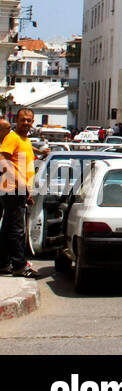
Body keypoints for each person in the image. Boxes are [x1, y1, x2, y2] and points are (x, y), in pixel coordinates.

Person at [0, 110, 38, 277]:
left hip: (20, 191)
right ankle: (20, 265)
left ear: (33, 122)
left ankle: (3, 263)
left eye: (29, 120)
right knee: (17, 230)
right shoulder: (13, 137)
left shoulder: (26, 140)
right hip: (12, 189)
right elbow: (2, 158)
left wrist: (27, 189)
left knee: (8, 228)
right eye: (23, 120)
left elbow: (26, 166)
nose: (26, 123)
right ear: (16, 120)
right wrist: (18, 182)